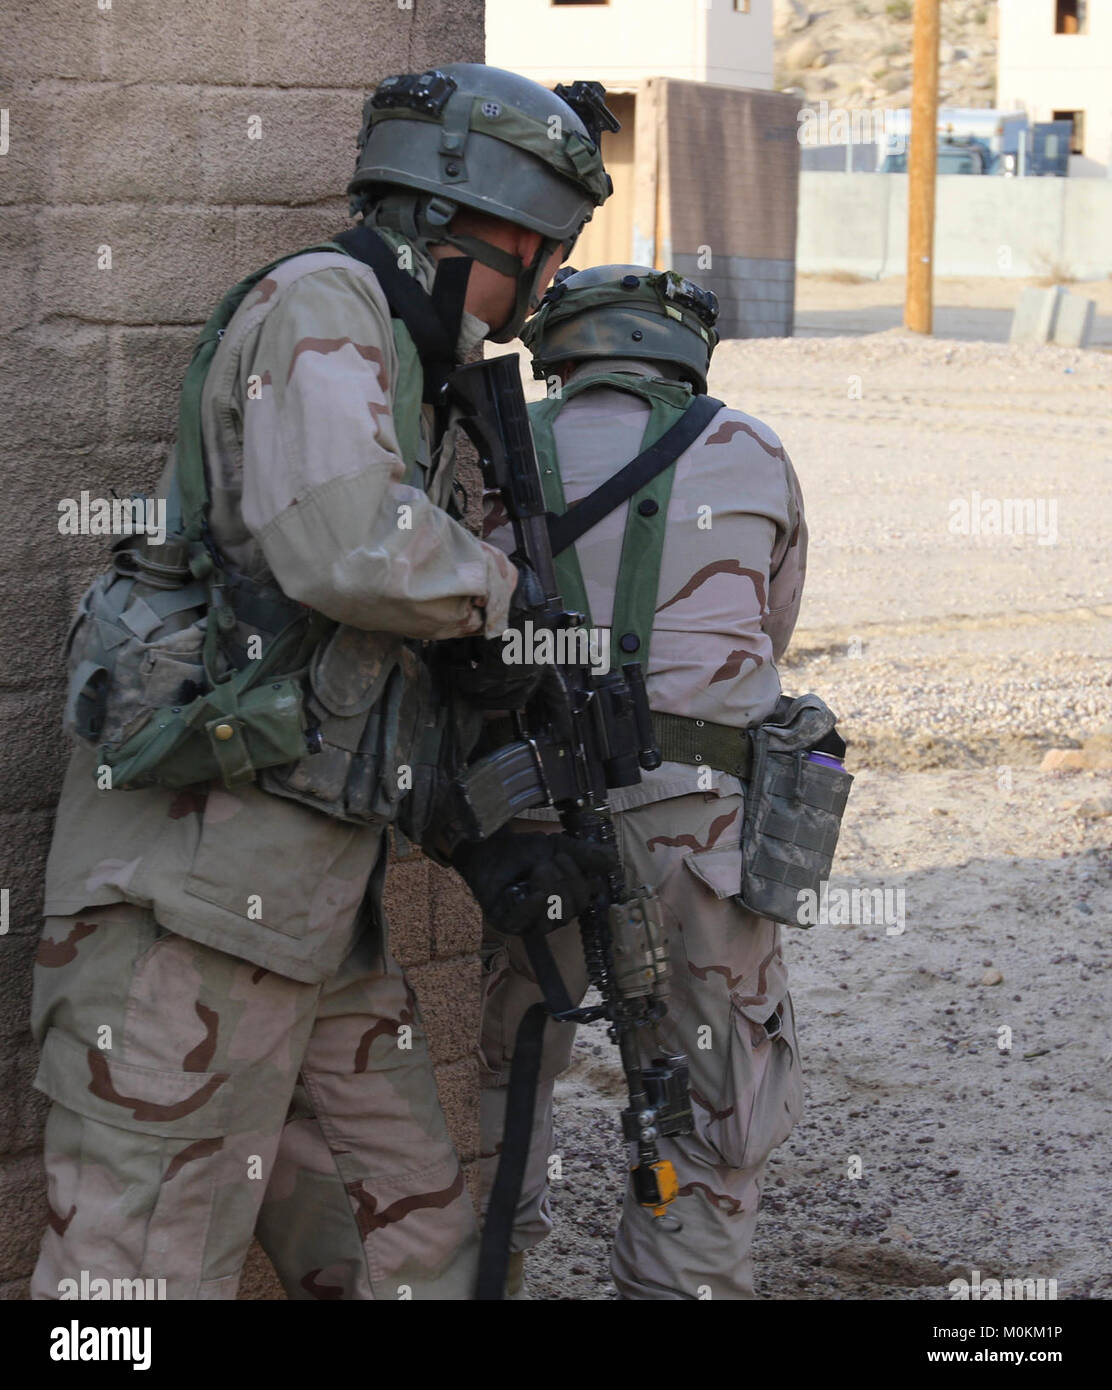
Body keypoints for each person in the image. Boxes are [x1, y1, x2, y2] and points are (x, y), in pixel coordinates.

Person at [31, 64, 617, 1302]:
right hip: (189, 901)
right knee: (132, 1275)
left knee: (409, 1239)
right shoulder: (326, 306)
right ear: (485, 220)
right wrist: (511, 595)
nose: (550, 279)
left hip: (311, 901)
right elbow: (350, 542)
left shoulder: (409, 360)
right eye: (549, 247)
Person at [478, 264, 810, 1300]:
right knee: (712, 1112)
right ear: (680, 352)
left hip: (532, 823)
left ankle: (493, 1264)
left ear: (561, 353)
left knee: (504, 1075)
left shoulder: (493, 447)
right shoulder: (749, 449)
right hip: (700, 837)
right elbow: (772, 626)